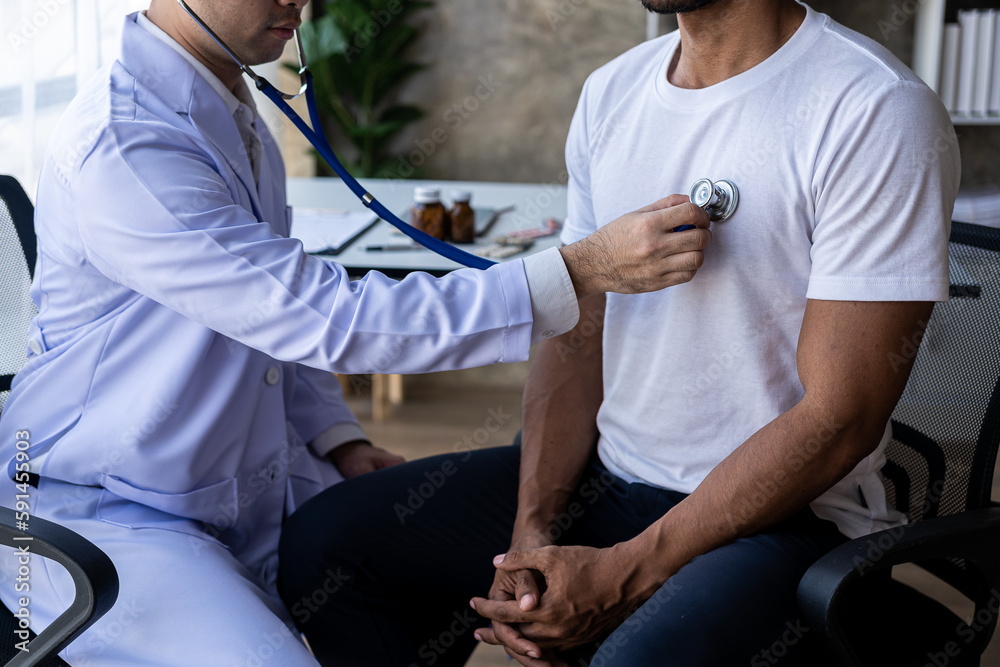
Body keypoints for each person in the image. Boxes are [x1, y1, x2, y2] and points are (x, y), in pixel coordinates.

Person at [0, 0, 713, 664]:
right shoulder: (129, 145)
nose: (298, 1)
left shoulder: (226, 101)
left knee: (403, 562)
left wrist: (338, 437)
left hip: (226, 479)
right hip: (106, 506)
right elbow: (324, 317)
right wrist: (581, 269)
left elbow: (268, 313)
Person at [277, 0, 960, 665]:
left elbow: (839, 416)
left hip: (790, 522)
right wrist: (530, 532)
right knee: (328, 544)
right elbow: (575, 335)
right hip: (615, 481)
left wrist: (627, 572)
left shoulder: (874, 107)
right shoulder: (614, 92)